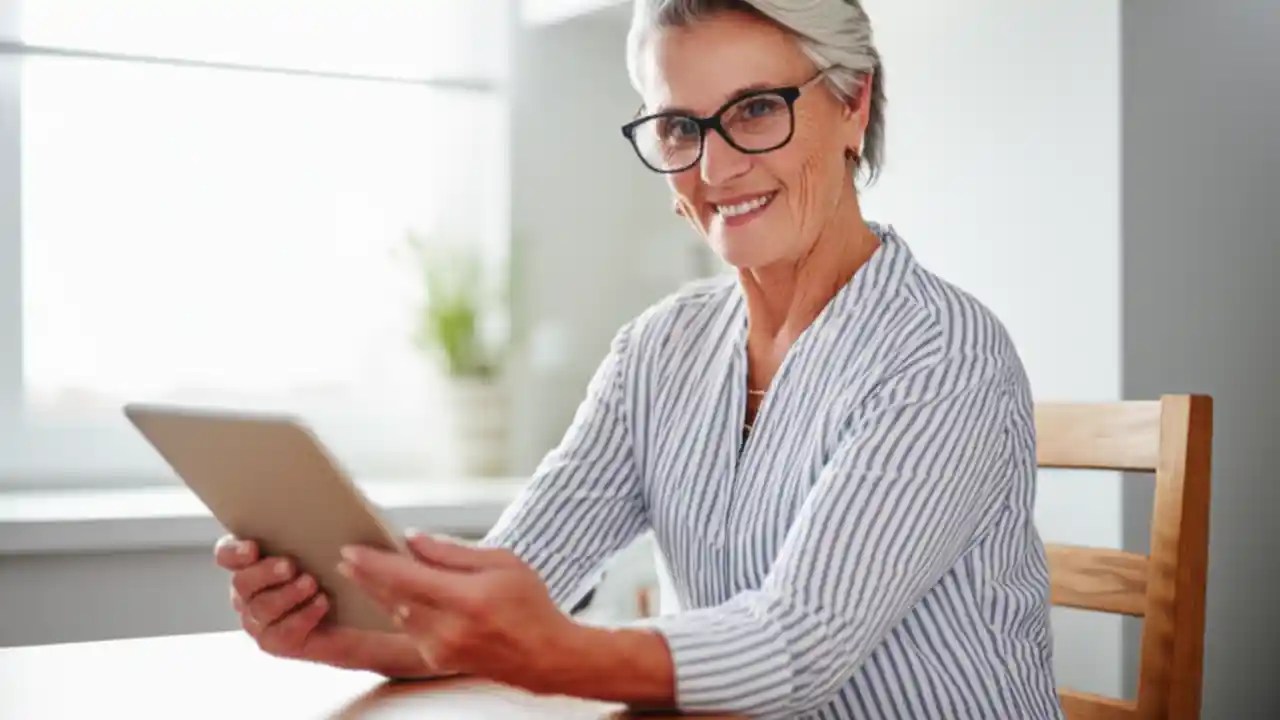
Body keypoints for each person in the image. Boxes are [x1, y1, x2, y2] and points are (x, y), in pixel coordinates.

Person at [215, 1, 1064, 717]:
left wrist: (553, 649)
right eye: (678, 126)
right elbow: (525, 577)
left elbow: (796, 652)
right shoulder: (660, 351)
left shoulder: (944, 355)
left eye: (757, 109)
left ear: (852, 104)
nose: (716, 166)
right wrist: (346, 631)